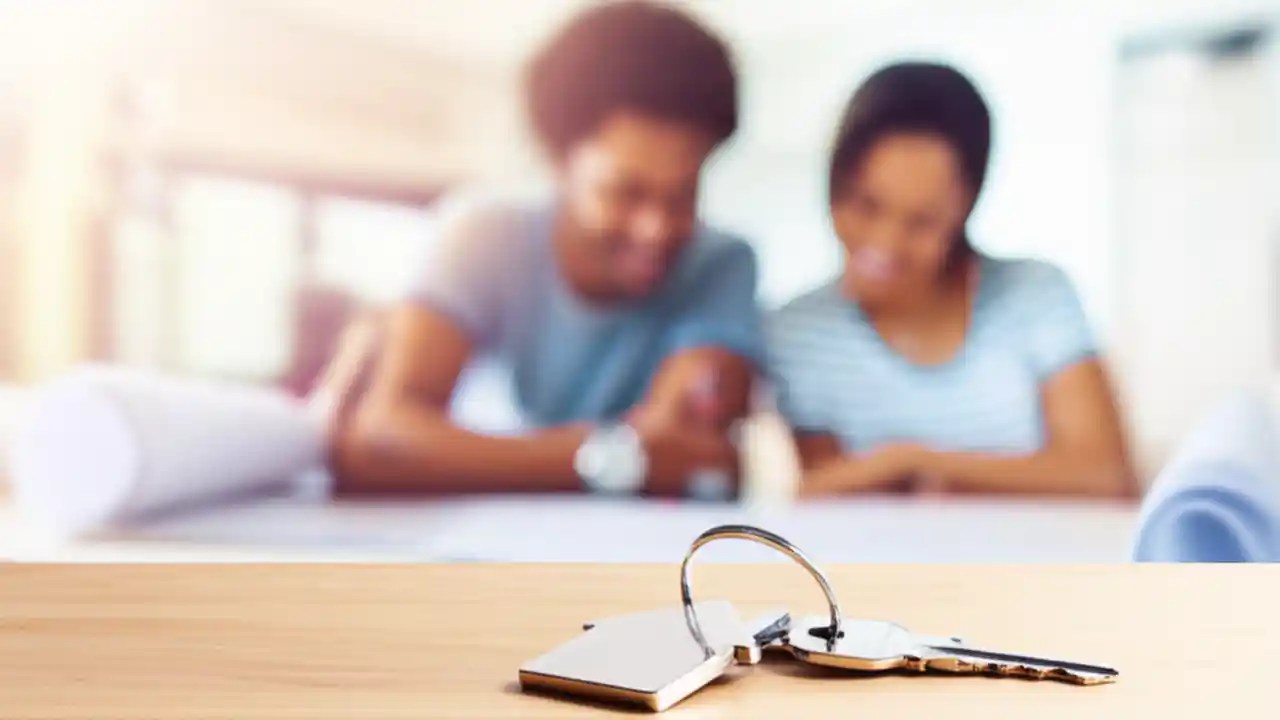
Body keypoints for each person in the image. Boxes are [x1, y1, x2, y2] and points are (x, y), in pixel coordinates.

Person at [326, 2, 760, 499]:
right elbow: (378, 437)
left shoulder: (722, 263)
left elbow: (690, 455)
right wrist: (605, 457)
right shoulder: (483, 233)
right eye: (626, 193)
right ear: (558, 165)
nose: (656, 229)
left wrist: (465, 455)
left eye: (683, 195)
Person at [768, 62, 1134, 498]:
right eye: (866, 205)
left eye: (922, 222)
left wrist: (915, 462)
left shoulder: (1036, 294)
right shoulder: (799, 332)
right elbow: (826, 493)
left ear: (964, 211)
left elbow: (1106, 476)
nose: (885, 242)